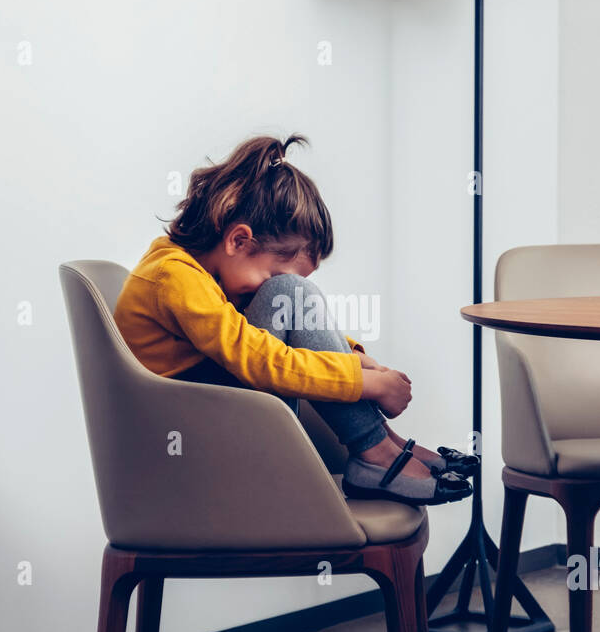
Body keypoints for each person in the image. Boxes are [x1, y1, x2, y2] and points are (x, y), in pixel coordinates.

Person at [113, 133, 476, 506]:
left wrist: (355, 357)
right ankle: (377, 453)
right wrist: (366, 384)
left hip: (214, 418)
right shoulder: (174, 278)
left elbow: (257, 341)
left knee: (289, 295)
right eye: (269, 274)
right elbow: (263, 361)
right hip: (195, 445)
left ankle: (383, 445)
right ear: (239, 241)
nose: (262, 292)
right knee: (287, 293)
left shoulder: (199, 276)